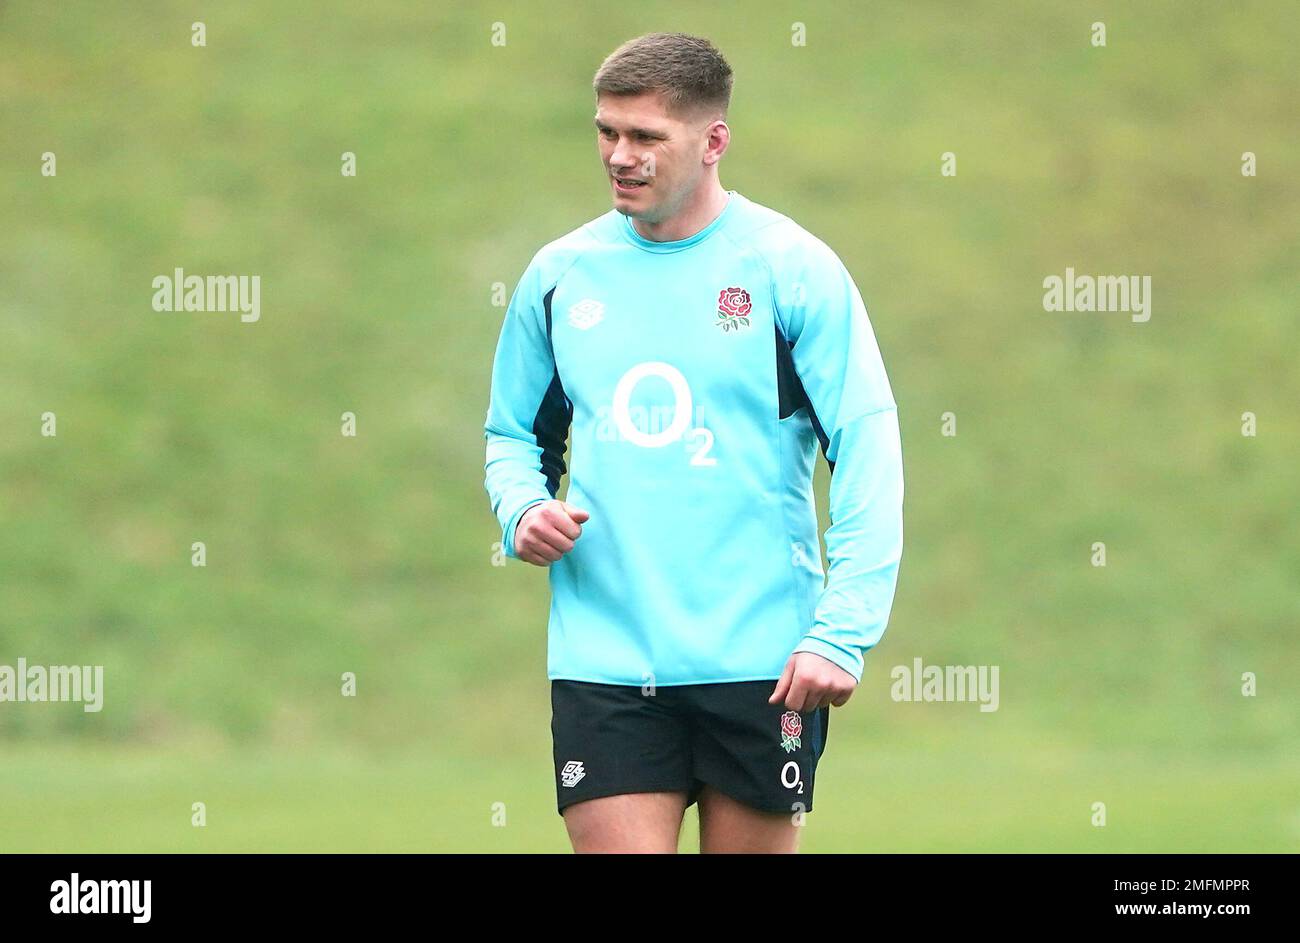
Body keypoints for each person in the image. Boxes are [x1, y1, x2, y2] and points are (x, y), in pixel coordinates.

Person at [483, 32, 904, 853]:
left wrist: (842, 630)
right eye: (607, 132)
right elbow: (512, 435)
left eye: (647, 138)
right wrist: (521, 507)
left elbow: (867, 445)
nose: (620, 156)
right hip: (604, 662)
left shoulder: (791, 270)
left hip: (763, 661)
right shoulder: (561, 276)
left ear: (713, 141)